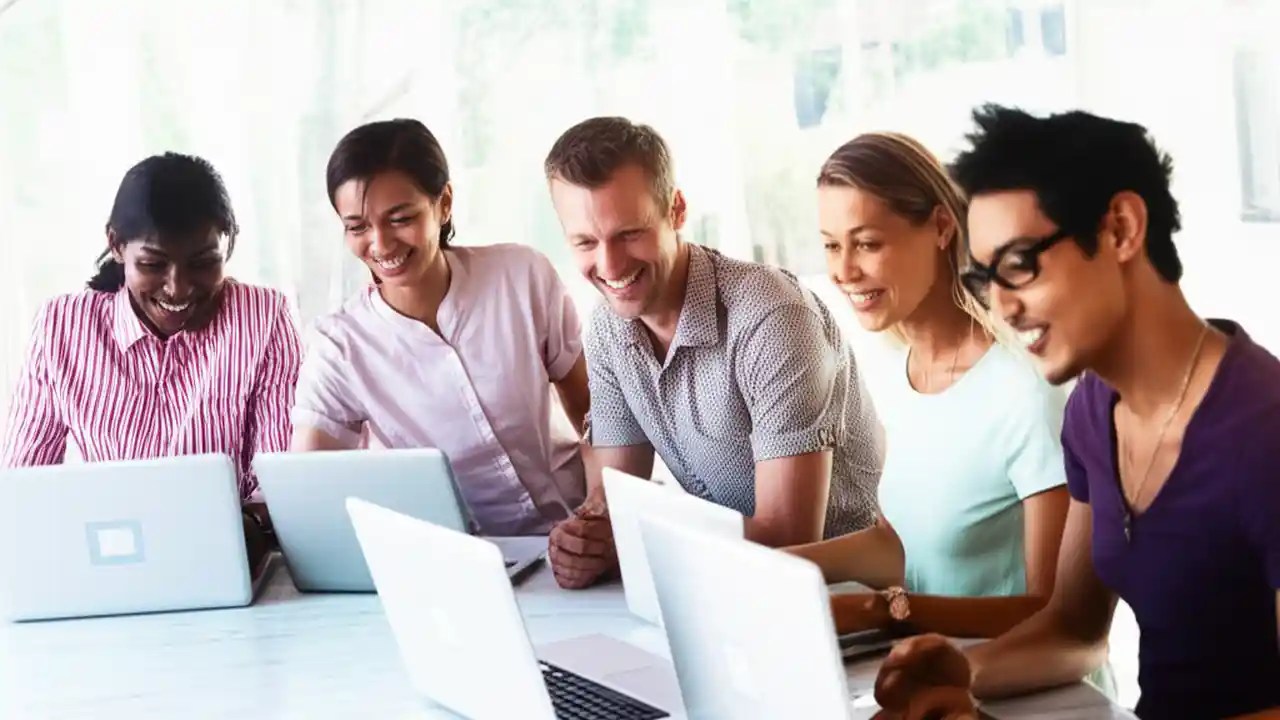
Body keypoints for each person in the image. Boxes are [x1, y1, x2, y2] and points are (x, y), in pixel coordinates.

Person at [873, 106, 1280, 720]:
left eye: (1018, 265)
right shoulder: (1092, 411)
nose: (1002, 306)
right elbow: (1073, 630)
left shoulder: (1264, 430)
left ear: (1120, 229)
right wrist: (964, 678)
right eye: (987, 278)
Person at [542, 116, 885, 590]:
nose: (610, 265)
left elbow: (790, 541)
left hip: (847, 597)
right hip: (717, 585)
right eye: (585, 242)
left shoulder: (772, 317)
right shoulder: (607, 327)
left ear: (676, 210)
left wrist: (636, 538)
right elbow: (613, 504)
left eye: (630, 234)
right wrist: (586, 541)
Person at [785, 132, 1070, 640]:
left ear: (941, 226)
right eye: (831, 245)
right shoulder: (897, 368)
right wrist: (769, 569)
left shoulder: (1025, 393)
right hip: (931, 677)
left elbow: (1054, 615)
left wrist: (883, 610)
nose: (843, 271)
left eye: (867, 244)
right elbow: (900, 545)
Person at [290, 119, 589, 536]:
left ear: (443, 202)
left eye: (400, 218)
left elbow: (596, 417)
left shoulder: (522, 275)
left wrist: (600, 518)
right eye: (357, 227)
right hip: (455, 553)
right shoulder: (338, 346)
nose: (380, 244)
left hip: (571, 527)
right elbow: (308, 486)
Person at [1, 152, 301, 569]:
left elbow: (281, 483)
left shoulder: (263, 317)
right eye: (152, 264)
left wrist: (236, 532)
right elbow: (23, 487)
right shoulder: (61, 327)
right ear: (116, 245)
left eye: (203, 263)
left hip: (228, 558)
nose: (177, 288)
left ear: (227, 243)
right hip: (106, 562)